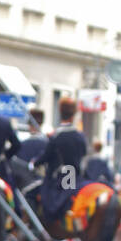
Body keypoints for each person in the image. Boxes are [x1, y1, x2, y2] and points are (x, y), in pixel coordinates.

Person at [33, 96, 87, 225]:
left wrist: (33, 163)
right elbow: (83, 154)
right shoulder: (80, 136)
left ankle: (42, 226)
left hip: (59, 178)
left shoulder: (55, 135)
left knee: (33, 195)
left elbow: (45, 156)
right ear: (73, 115)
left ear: (60, 112)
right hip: (75, 177)